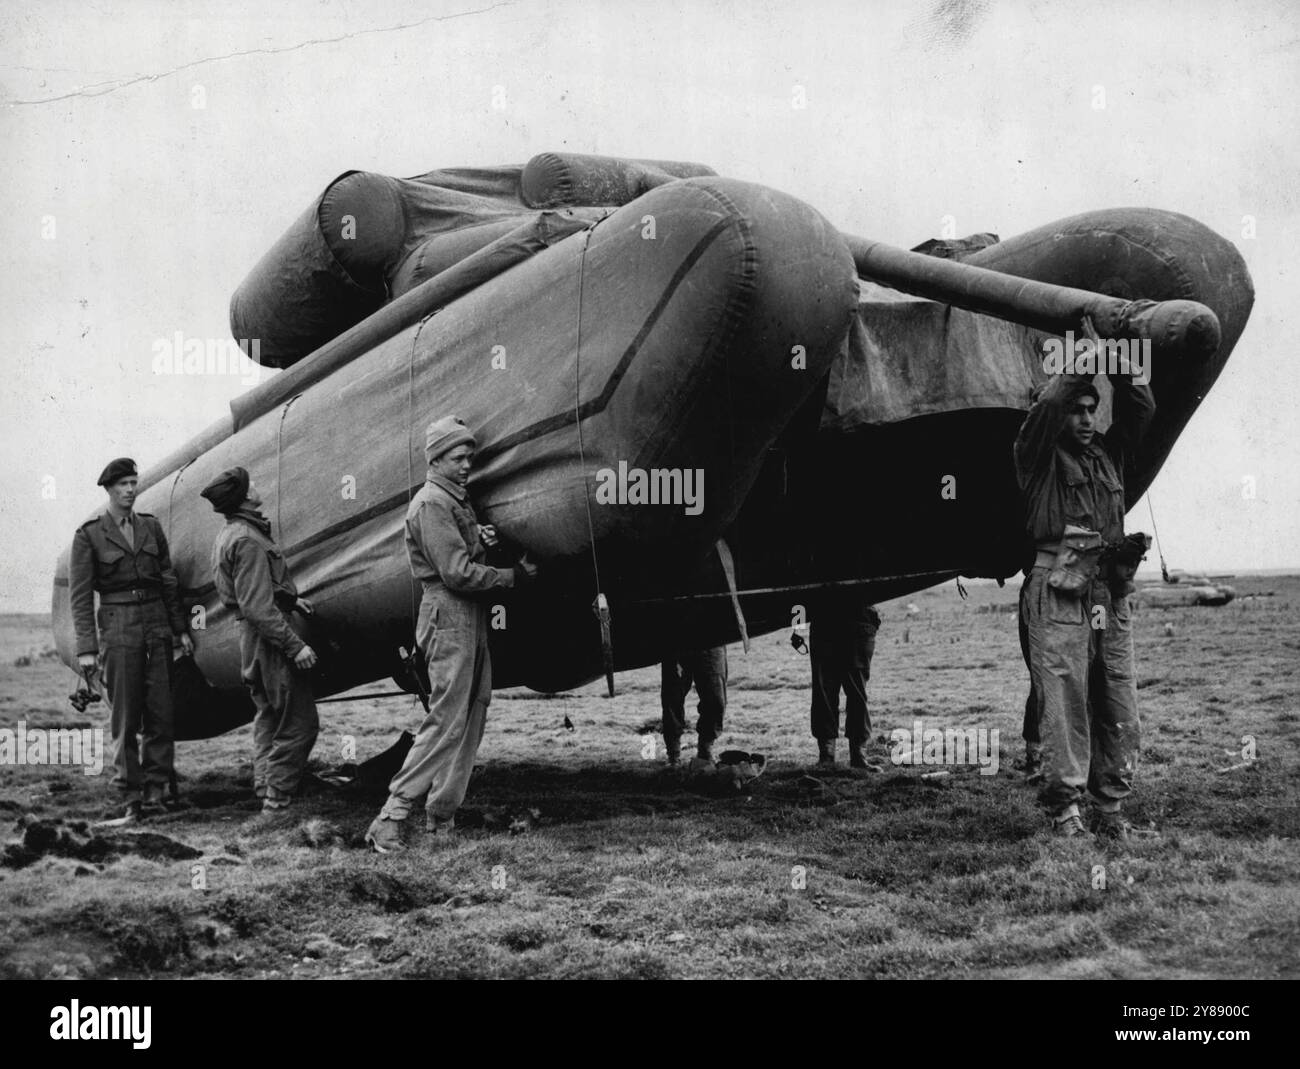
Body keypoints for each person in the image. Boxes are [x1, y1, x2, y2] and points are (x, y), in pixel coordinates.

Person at [366, 416, 536, 853]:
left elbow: (459, 554)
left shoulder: (452, 500)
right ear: (436, 459)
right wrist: (511, 577)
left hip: (468, 616)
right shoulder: (432, 504)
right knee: (447, 717)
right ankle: (391, 816)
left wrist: (478, 538)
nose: (466, 465)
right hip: (450, 612)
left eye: (469, 457)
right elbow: (456, 573)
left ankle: (441, 816)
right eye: (459, 458)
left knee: (473, 712)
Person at [1014, 317, 1155, 840]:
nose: (1086, 418)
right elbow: (1049, 406)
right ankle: (1064, 809)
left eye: (1093, 409)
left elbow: (1142, 408)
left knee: (1117, 695)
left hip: (1108, 591)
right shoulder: (1036, 455)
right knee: (1065, 698)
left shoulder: (1108, 456)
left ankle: (1110, 806)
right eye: (1077, 410)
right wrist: (1082, 360)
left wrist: (1116, 358)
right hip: (1059, 589)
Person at [70, 458, 193, 818]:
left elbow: (167, 579)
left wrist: (179, 627)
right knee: (125, 713)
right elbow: (80, 597)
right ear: (108, 489)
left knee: (161, 710)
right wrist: (87, 649)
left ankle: (157, 788)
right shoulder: (89, 534)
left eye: (133, 483)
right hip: (117, 624)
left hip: (155, 622)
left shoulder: (151, 528)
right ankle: (129, 791)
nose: (129, 490)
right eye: (122, 484)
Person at [202, 467, 319, 812]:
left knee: (269, 713)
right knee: (298, 721)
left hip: (251, 638)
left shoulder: (232, 534)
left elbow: (248, 593)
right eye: (250, 483)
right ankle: (278, 800)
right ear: (243, 496)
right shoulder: (248, 540)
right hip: (268, 638)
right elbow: (256, 605)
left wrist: (290, 599)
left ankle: (265, 787)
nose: (257, 485)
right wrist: (294, 646)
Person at [807, 588, 881, 768]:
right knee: (825, 692)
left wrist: (797, 627)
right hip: (827, 624)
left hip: (857, 625)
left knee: (855, 694)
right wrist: (797, 627)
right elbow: (799, 592)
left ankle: (857, 755)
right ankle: (828, 755)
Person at [661, 647, 728, 764]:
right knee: (672, 697)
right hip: (675, 640)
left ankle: (705, 750)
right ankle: (673, 753)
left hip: (711, 640)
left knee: (715, 697)